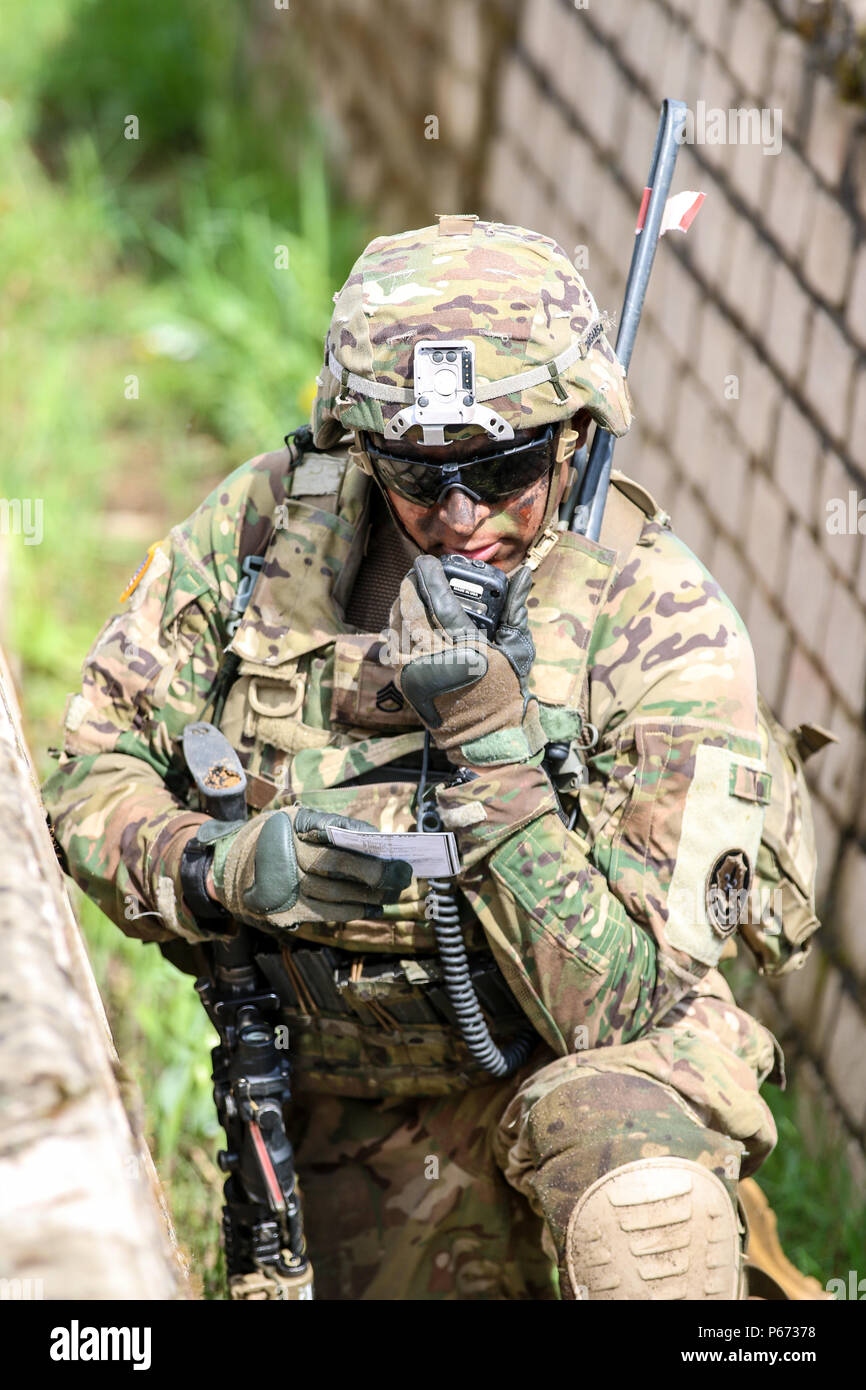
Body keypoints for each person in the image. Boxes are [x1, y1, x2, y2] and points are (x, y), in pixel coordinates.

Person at [42, 214, 786, 1300]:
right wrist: (215, 867)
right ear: (359, 440)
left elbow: (630, 1003)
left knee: (643, 1217)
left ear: (573, 431)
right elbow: (83, 772)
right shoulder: (263, 533)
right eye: (415, 472)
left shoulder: (657, 616)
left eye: (502, 469)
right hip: (359, 1096)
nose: (459, 518)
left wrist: (489, 744)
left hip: (586, 1074)